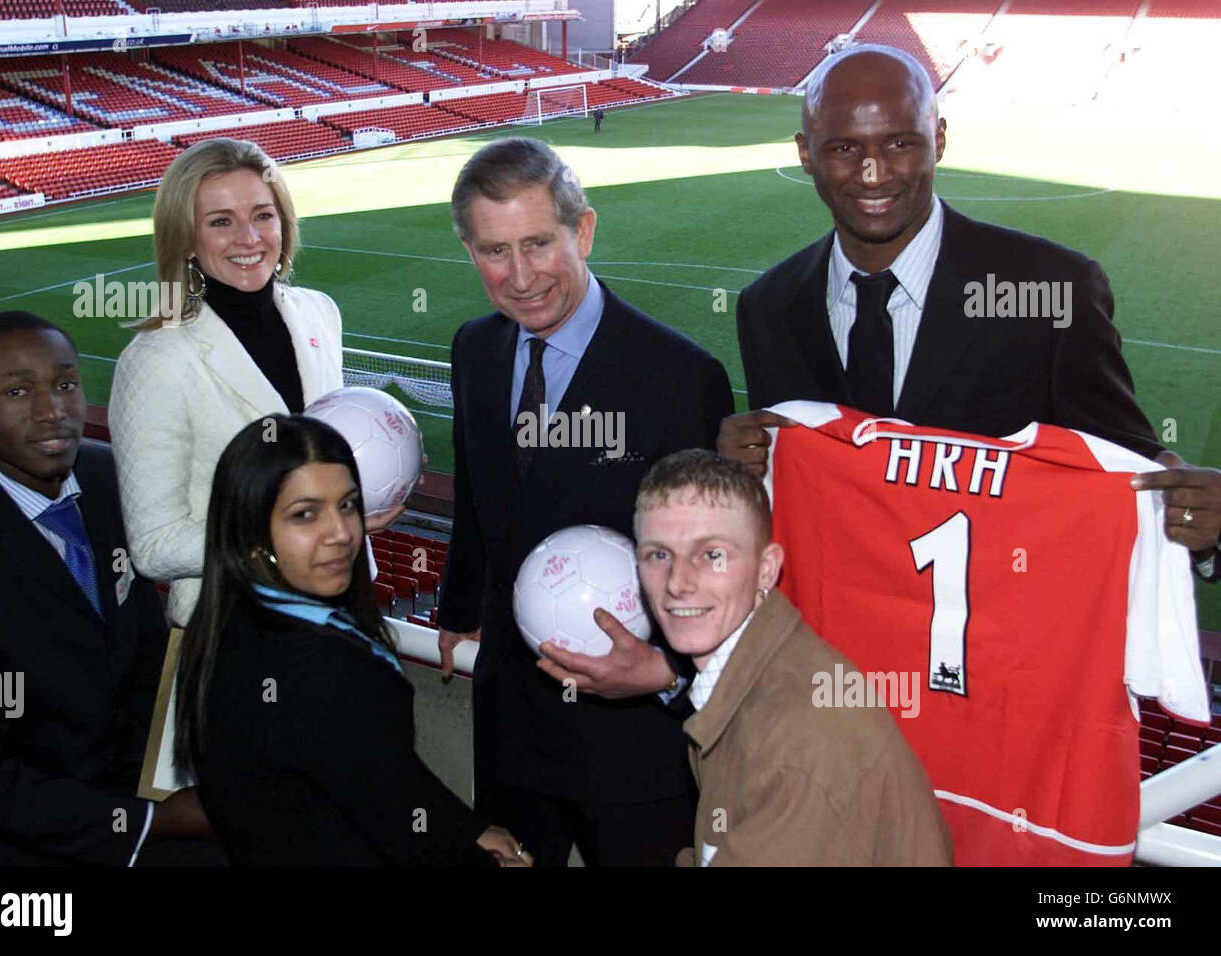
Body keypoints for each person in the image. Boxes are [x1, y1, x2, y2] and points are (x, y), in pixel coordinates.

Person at [719, 44, 1220, 578]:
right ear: (805, 154)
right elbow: (786, 491)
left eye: (899, 142)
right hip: (835, 638)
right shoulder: (767, 307)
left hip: (1000, 642)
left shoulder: (1050, 291)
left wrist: (1199, 522)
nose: (873, 173)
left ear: (938, 138)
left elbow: (1127, 471)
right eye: (844, 147)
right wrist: (738, 472)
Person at [436, 138, 734, 866]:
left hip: (635, 747)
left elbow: (714, 560)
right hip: (512, 728)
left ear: (585, 230)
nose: (520, 276)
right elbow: (478, 499)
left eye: (538, 243)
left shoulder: (681, 377)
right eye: (493, 251)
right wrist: (456, 610)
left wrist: (664, 669)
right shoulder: (474, 350)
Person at [0, 312, 218, 865]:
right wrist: (153, 820)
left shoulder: (112, 480)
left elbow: (149, 652)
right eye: (17, 391)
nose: (51, 411)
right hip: (36, 846)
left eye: (64, 384)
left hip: (147, 786)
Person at [176, 414, 529, 866]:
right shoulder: (324, 669)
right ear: (251, 531)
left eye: (347, 505)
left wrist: (469, 828)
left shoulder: (232, 620)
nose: (342, 533)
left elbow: (381, 778)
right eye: (306, 514)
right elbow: (389, 825)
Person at [110, 138, 395, 633]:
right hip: (239, 633)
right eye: (221, 222)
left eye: (263, 214)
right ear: (186, 239)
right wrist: (306, 525)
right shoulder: (156, 360)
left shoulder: (319, 313)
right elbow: (153, 547)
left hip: (346, 609)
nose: (249, 237)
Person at [630, 449, 952, 866]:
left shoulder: (799, 742)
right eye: (659, 555)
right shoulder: (750, 675)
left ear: (767, 570)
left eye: (712, 555)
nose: (677, 583)